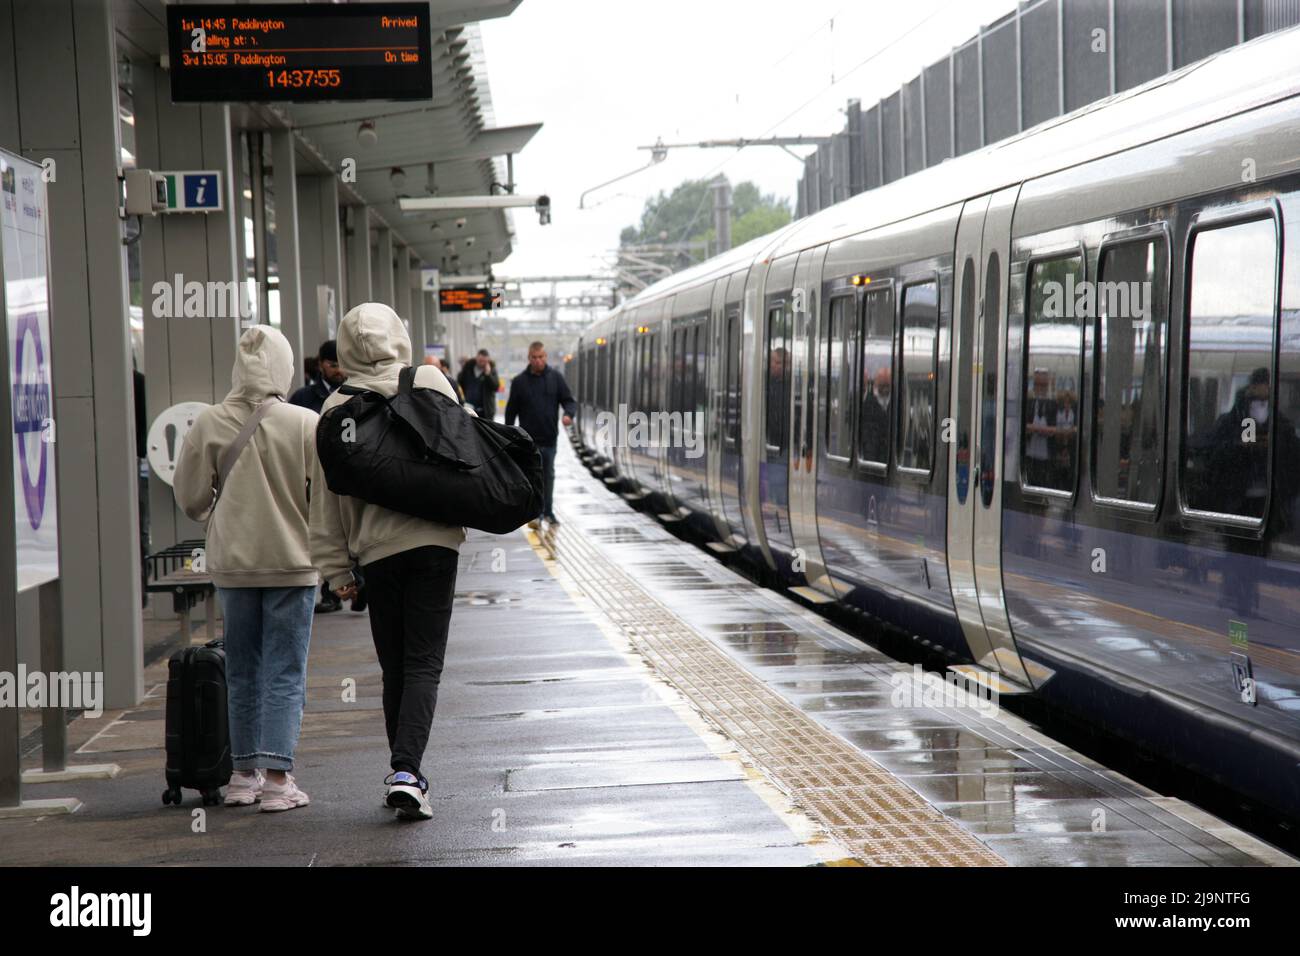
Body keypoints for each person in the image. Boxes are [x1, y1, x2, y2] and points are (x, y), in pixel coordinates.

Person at [310, 302, 465, 821]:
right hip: (435, 542)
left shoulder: (335, 405)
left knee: (394, 665)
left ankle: (404, 771)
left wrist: (335, 570)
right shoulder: (430, 381)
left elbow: (325, 502)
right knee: (424, 662)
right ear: (399, 335)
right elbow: (462, 450)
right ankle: (407, 772)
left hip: (376, 552)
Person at [172, 326, 317, 813]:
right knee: (285, 671)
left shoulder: (210, 422)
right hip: (292, 563)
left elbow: (191, 498)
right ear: (284, 365)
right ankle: (278, 781)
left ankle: (241, 776)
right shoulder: (304, 423)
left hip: (233, 565)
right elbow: (325, 497)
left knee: (242, 670)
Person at [505, 341, 576, 526]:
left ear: (546, 357)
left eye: (541, 357)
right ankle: (535, 514)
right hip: (529, 441)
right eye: (534, 358)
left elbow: (568, 401)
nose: (538, 361)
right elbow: (511, 411)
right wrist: (508, 437)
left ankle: (549, 512)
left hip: (550, 438)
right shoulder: (519, 382)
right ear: (529, 358)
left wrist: (569, 414)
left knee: (549, 476)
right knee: (533, 478)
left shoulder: (556, 378)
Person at [289, 339, 345, 414]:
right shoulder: (302, 397)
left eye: (343, 365)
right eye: (333, 365)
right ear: (320, 365)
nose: (339, 370)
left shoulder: (357, 394)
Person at [457, 348, 500, 421]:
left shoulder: (492, 370)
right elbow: (460, 380)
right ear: (476, 358)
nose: (482, 363)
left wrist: (488, 374)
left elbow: (496, 387)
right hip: (469, 408)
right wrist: (463, 366)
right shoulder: (469, 367)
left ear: (487, 361)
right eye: (480, 360)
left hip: (486, 411)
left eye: (484, 361)